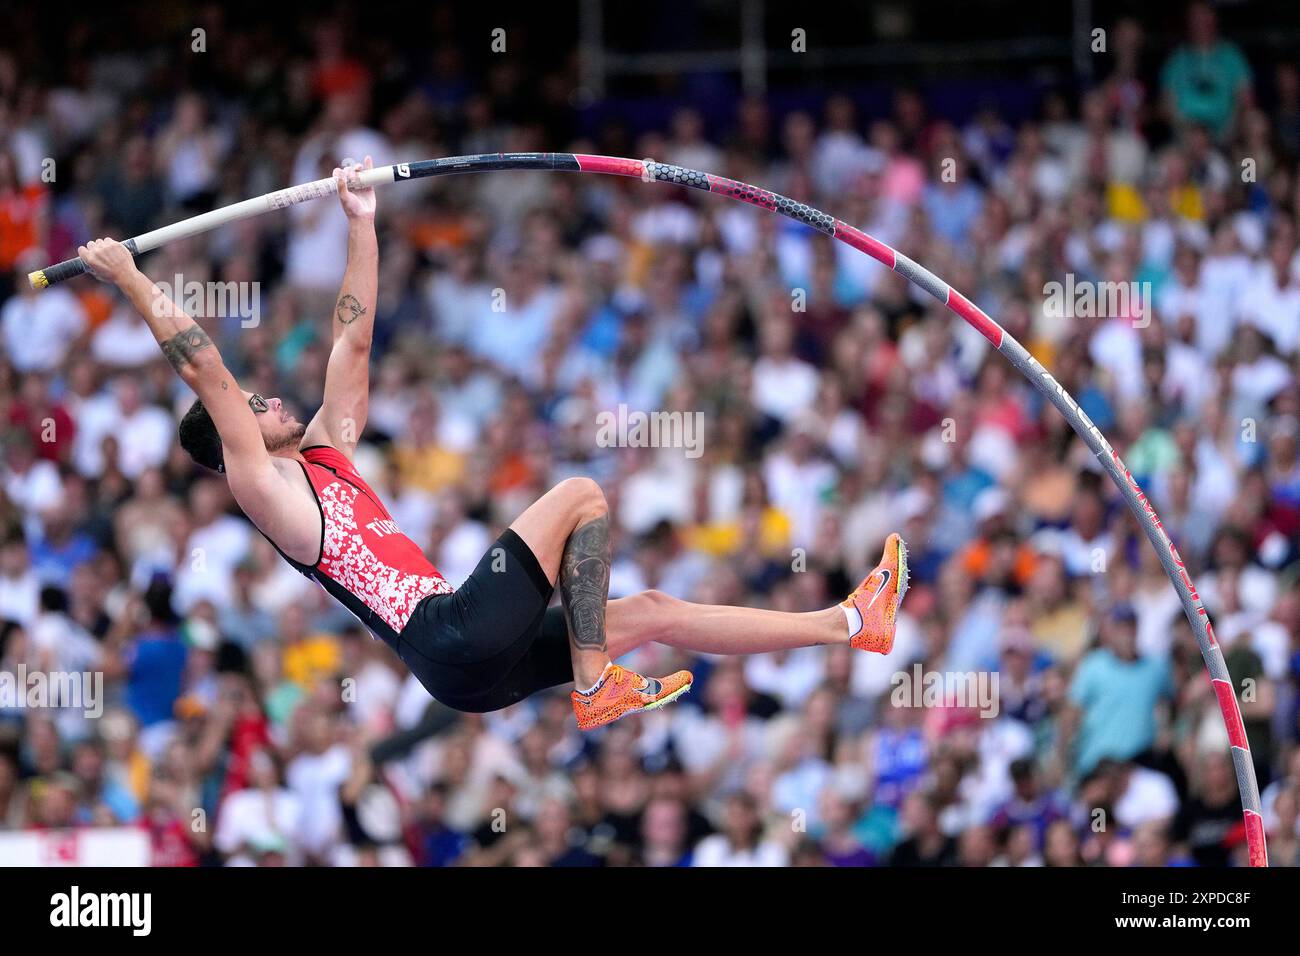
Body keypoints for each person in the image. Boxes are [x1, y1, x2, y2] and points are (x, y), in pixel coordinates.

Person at [74, 157, 910, 731]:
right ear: (231, 443)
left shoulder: (325, 451)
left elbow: (353, 342)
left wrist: (361, 220)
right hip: (448, 632)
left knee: (652, 613)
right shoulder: (266, 491)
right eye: (255, 406)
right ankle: (594, 686)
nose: (269, 398)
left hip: (469, 665)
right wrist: (131, 278)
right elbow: (208, 372)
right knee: (582, 494)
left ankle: (847, 623)